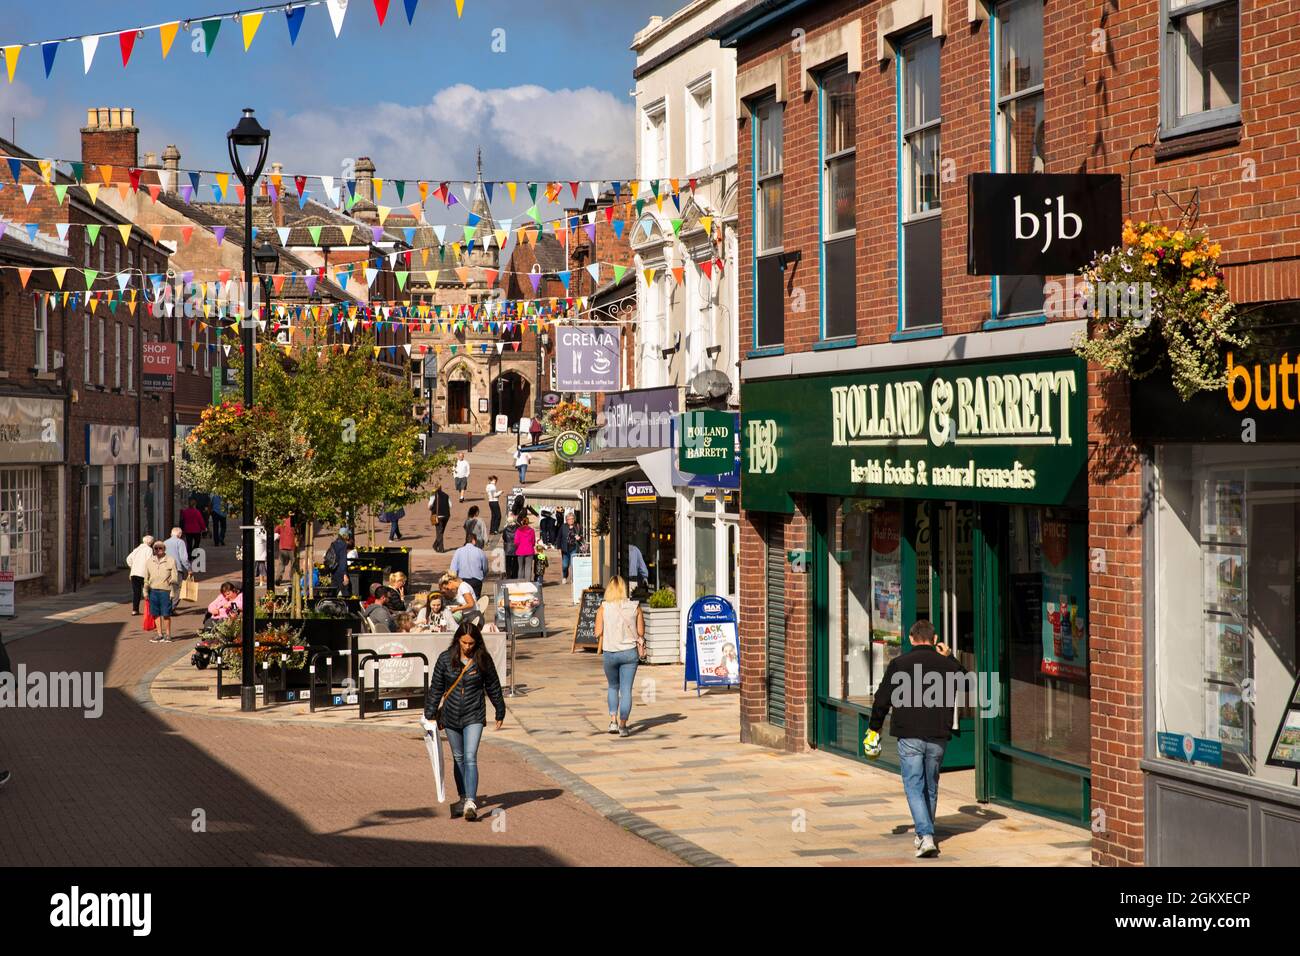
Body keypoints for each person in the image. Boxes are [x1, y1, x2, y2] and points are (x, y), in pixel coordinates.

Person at [866, 618, 969, 859]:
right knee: (930, 786)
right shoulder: (946, 664)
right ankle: (926, 833)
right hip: (937, 735)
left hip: (909, 734)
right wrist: (951, 657)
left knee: (914, 785)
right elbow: (968, 684)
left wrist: (874, 728)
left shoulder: (899, 664)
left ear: (911, 639)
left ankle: (925, 835)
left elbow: (882, 700)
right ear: (934, 641)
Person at [424, 621, 506, 821]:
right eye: (464, 643)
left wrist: (499, 710)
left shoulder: (482, 659)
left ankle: (471, 801)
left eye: (471, 643)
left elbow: (493, 685)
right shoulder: (445, 659)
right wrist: (430, 713)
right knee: (458, 757)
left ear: (477, 642)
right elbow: (435, 688)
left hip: (474, 713)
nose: (467, 647)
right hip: (451, 715)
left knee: (470, 756)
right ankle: (462, 797)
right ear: (458, 640)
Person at [595, 575, 645, 737]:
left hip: (610, 652)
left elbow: (597, 632)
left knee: (612, 687)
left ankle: (613, 721)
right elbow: (641, 633)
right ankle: (623, 725)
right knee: (626, 690)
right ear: (625, 589)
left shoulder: (603, 608)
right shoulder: (635, 607)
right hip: (629, 653)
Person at [144, 540, 180, 642]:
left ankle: (168, 634)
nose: (158, 550)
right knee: (155, 613)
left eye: (161, 548)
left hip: (166, 591)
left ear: (164, 549)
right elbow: (146, 578)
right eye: (156, 548)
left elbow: (175, 576)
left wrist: (173, 589)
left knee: (166, 613)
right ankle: (159, 634)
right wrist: (145, 592)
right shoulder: (149, 561)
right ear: (153, 550)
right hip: (153, 591)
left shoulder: (171, 560)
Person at [450, 531, 488, 599]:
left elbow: (453, 569)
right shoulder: (480, 552)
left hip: (462, 580)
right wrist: (483, 575)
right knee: (476, 600)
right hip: (476, 580)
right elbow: (485, 568)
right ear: (473, 541)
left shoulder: (458, 551)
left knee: (463, 599)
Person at [126, 534, 155, 615]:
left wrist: (132, 567)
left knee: (136, 592)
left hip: (134, 573)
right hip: (143, 573)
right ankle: (152, 608)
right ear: (150, 543)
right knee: (149, 590)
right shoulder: (149, 549)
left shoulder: (137, 549)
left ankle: (135, 610)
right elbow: (150, 561)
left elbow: (128, 559)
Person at [165, 528, 191, 611]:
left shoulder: (165, 542)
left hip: (165, 568)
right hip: (176, 569)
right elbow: (183, 558)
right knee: (179, 589)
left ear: (171, 534)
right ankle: (171, 608)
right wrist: (189, 568)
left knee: (168, 589)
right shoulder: (180, 542)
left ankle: (167, 607)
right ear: (179, 534)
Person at [325, 527, 352, 596]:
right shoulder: (343, 545)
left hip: (334, 569)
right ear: (345, 535)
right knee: (346, 592)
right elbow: (343, 561)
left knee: (333, 591)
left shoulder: (334, 543)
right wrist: (345, 575)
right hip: (340, 572)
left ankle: (329, 604)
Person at [557, 512, 583, 585]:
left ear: (574, 519)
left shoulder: (577, 526)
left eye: (572, 519)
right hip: (565, 549)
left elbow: (582, 536)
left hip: (574, 548)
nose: (571, 520)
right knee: (565, 565)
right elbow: (559, 537)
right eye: (569, 519)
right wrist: (558, 548)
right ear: (566, 520)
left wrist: (579, 538)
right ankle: (565, 576)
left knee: (573, 565)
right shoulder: (563, 527)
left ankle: (573, 579)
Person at [513, 513, 537, 582]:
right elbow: (533, 541)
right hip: (529, 550)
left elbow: (516, 542)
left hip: (520, 551)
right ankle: (528, 582)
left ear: (522, 522)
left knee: (520, 568)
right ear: (528, 523)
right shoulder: (531, 531)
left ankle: (520, 582)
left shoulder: (518, 530)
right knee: (528, 567)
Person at [429, 483, 451, 552]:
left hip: (437, 515)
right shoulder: (446, 495)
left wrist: (431, 508)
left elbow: (429, 505)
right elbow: (450, 505)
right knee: (441, 532)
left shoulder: (433, 495)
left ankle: (441, 548)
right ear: (441, 488)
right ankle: (435, 545)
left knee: (439, 532)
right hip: (446, 515)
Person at [275, 515, 297, 584]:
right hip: (292, 546)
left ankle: (278, 578)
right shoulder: (293, 520)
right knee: (293, 564)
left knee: (281, 564)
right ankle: (292, 579)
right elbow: (296, 531)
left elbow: (276, 531)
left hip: (282, 546)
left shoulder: (282, 521)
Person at [502, 512, 518, 579]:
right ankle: (514, 575)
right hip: (516, 547)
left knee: (508, 563)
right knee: (515, 563)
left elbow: (504, 538)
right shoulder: (517, 528)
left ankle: (508, 576)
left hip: (508, 547)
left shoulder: (505, 529)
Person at [253, 516, 268, 588]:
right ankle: (261, 581)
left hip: (253, 552)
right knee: (261, 567)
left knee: (255, 567)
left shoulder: (252, 529)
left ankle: (260, 581)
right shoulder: (261, 530)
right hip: (260, 552)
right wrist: (277, 535)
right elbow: (266, 537)